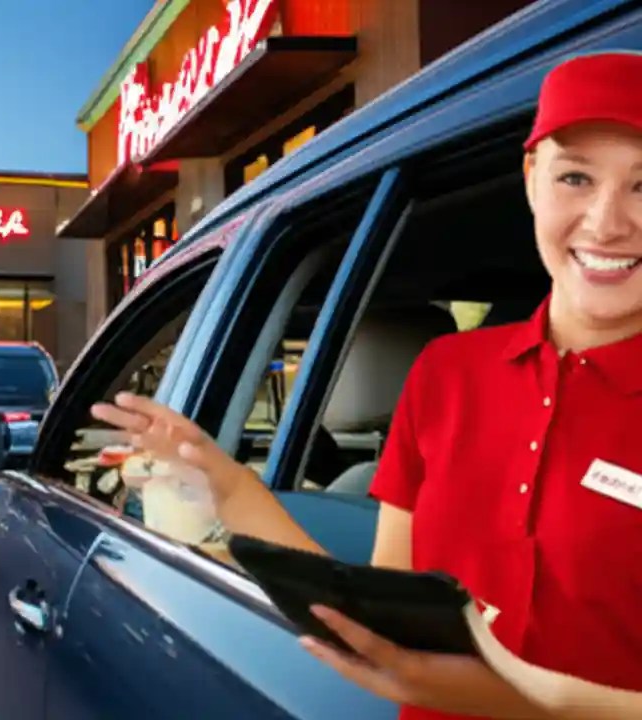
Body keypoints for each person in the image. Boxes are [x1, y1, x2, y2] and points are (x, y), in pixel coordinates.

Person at [91, 51, 642, 720]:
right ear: (531, 180)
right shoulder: (446, 375)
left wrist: (522, 697)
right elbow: (376, 605)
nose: (608, 222)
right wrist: (229, 486)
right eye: (576, 177)